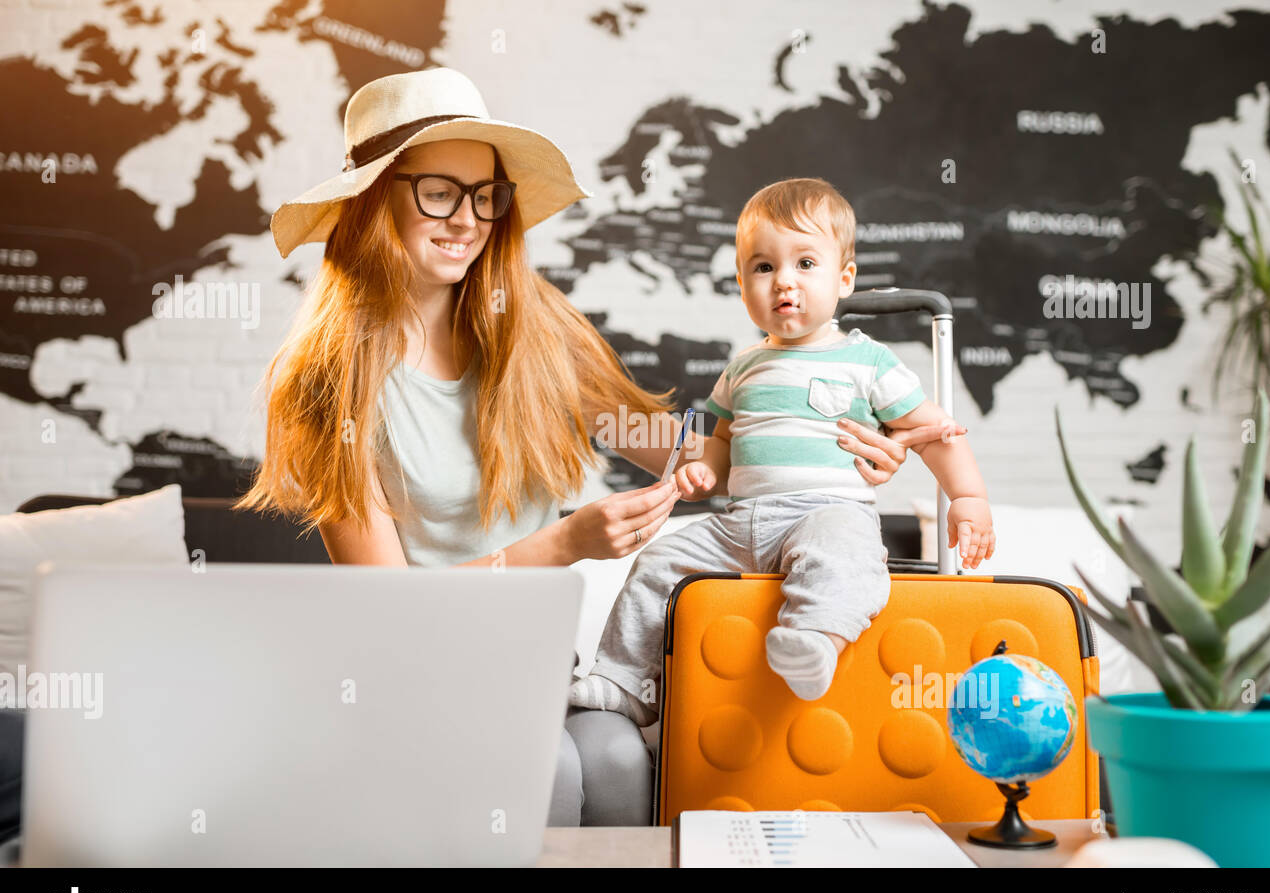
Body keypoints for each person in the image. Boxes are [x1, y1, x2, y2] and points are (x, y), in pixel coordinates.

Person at [236, 71, 943, 826]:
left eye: (485, 195)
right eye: (438, 191)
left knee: (616, 758)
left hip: (539, 666)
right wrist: (564, 543)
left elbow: (682, 457)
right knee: (553, 769)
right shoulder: (323, 385)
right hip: (414, 676)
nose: (467, 219)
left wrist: (842, 450)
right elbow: (391, 610)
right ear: (374, 198)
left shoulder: (530, 331)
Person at [569, 178, 995, 725]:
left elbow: (935, 429)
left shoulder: (868, 361)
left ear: (844, 280)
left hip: (824, 511)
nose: (783, 282)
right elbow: (721, 443)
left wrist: (968, 496)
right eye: (763, 267)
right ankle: (623, 680)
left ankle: (815, 642)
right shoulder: (742, 367)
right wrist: (702, 471)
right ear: (742, 283)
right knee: (657, 561)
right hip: (739, 522)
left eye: (805, 264)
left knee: (842, 557)